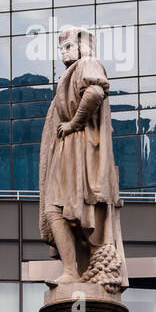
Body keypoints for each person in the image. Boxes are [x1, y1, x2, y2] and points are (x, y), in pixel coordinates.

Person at [38, 26, 127, 292]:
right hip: (68, 152)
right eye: (61, 47)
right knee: (55, 209)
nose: (63, 52)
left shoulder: (87, 63)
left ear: (82, 46)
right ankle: (69, 271)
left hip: (81, 151)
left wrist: (74, 123)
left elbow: (95, 93)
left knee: (62, 207)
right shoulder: (69, 74)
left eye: (68, 46)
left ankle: (71, 271)